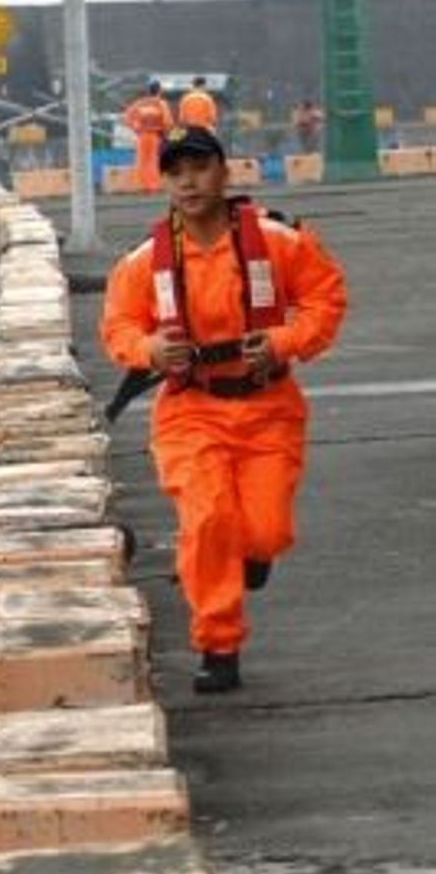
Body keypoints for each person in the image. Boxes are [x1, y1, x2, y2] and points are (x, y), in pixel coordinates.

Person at [99, 126, 347, 693]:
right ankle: (218, 645)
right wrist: (150, 349)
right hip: (191, 411)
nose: (188, 182)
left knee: (265, 531)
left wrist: (284, 341)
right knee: (207, 519)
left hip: (269, 408)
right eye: (175, 172)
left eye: (199, 168)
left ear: (224, 172)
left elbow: (325, 297)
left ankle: (252, 554)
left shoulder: (277, 240)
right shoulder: (145, 261)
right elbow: (119, 326)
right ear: (163, 181)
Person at [123, 80, 174, 193]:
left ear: (148, 91)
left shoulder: (139, 103)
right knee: (153, 160)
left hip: (142, 136)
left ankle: (141, 185)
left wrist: (136, 129)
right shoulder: (161, 104)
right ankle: (153, 185)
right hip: (155, 135)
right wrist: (166, 132)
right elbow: (168, 121)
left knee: (141, 160)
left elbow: (127, 117)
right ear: (159, 91)